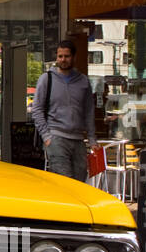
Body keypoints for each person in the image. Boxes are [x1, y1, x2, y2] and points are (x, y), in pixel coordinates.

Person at [30, 40, 97, 183]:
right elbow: (37, 109)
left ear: (73, 57)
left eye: (66, 56)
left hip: (78, 140)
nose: (63, 60)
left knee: (80, 181)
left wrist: (92, 139)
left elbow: (89, 111)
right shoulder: (46, 79)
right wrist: (47, 137)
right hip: (56, 137)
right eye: (60, 56)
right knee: (65, 180)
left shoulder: (83, 81)